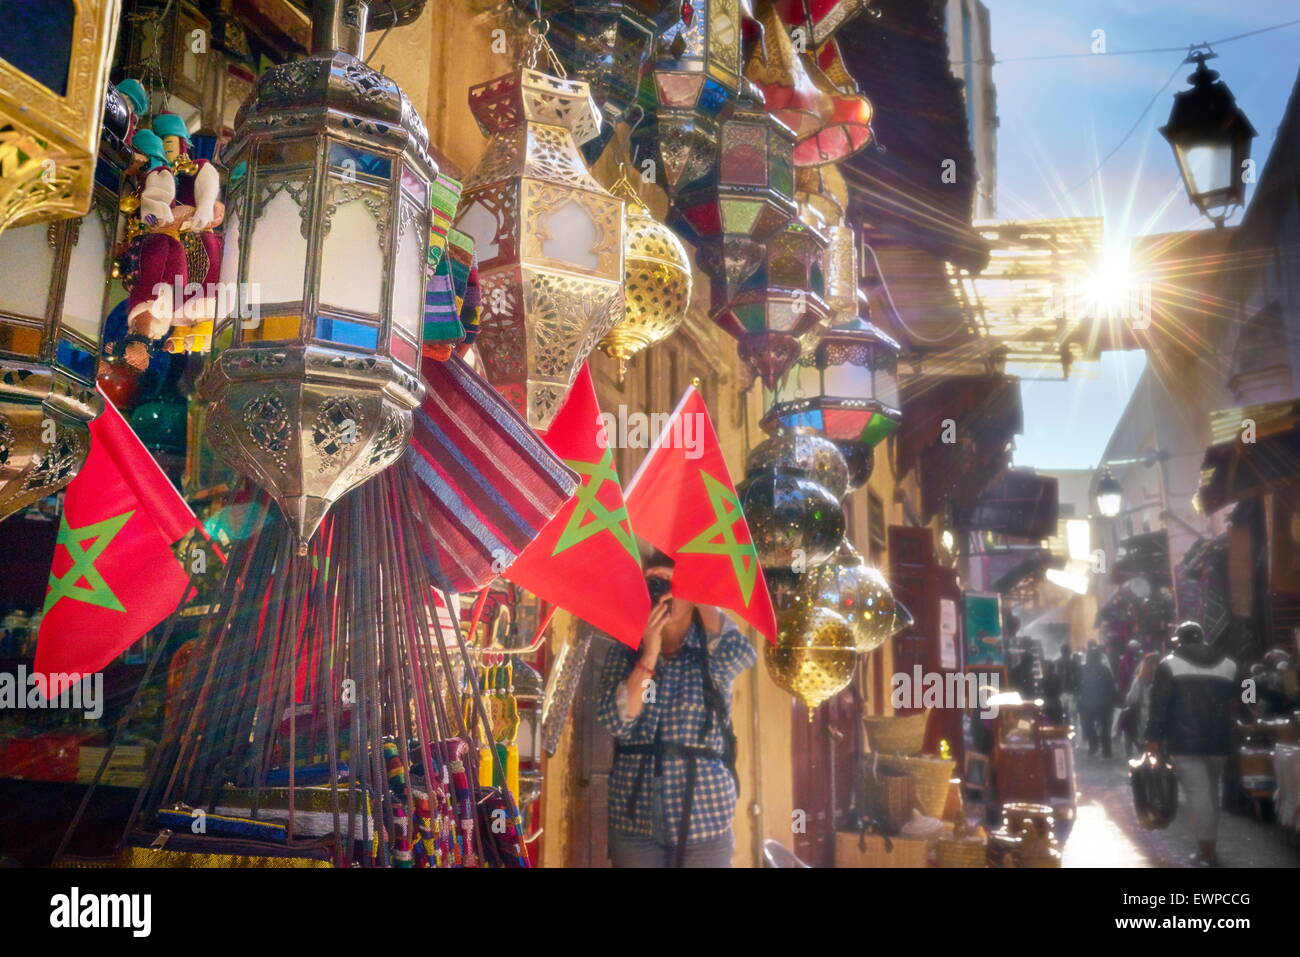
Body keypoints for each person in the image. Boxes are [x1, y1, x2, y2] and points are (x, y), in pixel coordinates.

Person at [597, 558, 757, 868]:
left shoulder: (710, 652)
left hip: (704, 815)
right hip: (634, 819)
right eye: (653, 588)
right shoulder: (625, 651)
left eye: (671, 587)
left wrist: (694, 584)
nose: (662, 595)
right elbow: (617, 721)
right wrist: (649, 654)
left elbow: (740, 654)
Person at [1144, 621, 1238, 867]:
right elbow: (1247, 687)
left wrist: (1153, 738)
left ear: (1179, 640)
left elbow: (1159, 707)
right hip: (1219, 741)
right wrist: (1245, 710)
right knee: (1211, 794)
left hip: (1184, 743)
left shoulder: (1169, 665)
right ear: (1202, 638)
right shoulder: (1229, 665)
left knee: (1198, 795)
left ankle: (1205, 850)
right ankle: (1210, 847)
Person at [1079, 645, 1117, 758]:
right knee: (1105, 727)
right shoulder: (1104, 670)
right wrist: (1113, 700)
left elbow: (1078, 685)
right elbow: (1111, 686)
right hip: (1103, 703)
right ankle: (1106, 750)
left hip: (1089, 703)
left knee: (1088, 726)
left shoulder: (1083, 669)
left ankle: (1094, 744)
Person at [1120, 652, 1160, 757]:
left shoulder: (1140, 680)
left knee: (1144, 742)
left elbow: (1131, 698)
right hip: (1160, 716)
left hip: (1144, 716)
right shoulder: (1164, 679)